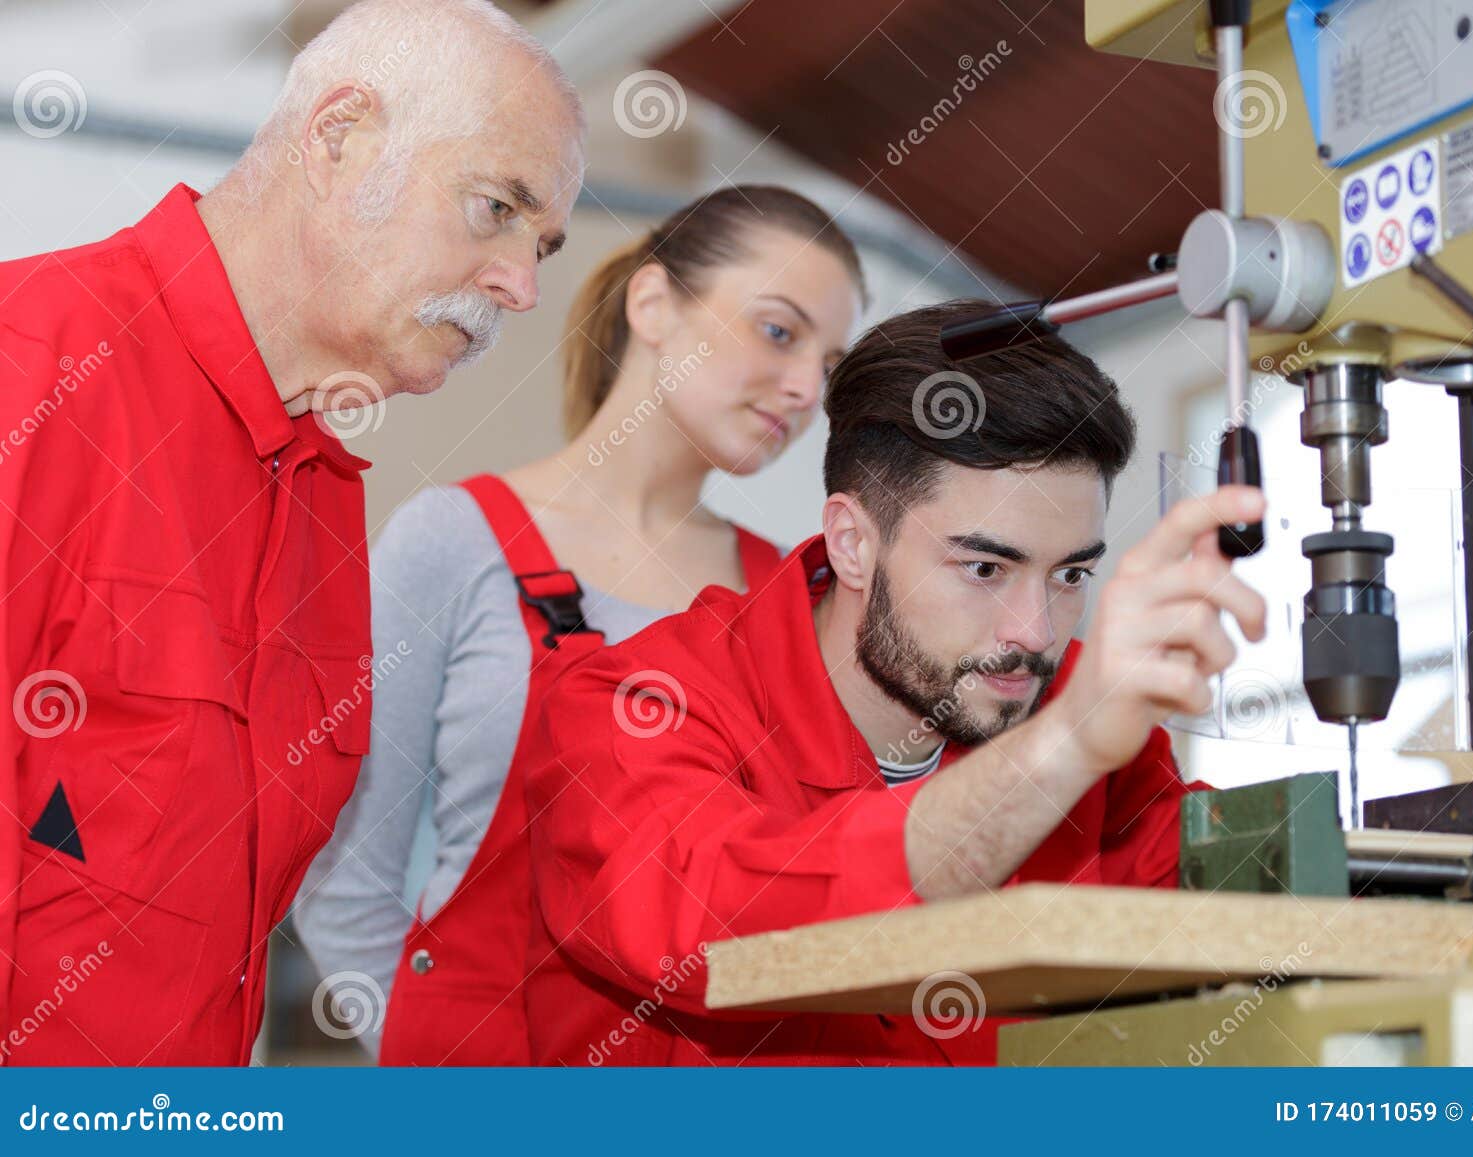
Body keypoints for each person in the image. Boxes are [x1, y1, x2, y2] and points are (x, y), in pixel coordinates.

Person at [0, 0, 583, 1065]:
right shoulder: (28, 364)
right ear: (337, 137)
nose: (523, 285)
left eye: (539, 245)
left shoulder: (324, 495)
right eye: (497, 207)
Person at [518, 300, 1268, 1065]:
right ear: (852, 542)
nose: (1036, 633)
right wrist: (1061, 749)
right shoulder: (629, 707)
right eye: (986, 568)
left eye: (1070, 574)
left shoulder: (1062, 700)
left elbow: (1220, 890)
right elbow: (714, 925)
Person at [293, 186, 865, 1064]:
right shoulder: (455, 542)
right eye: (779, 330)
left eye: (829, 364)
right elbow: (342, 875)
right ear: (655, 304)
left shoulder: (791, 598)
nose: (804, 388)